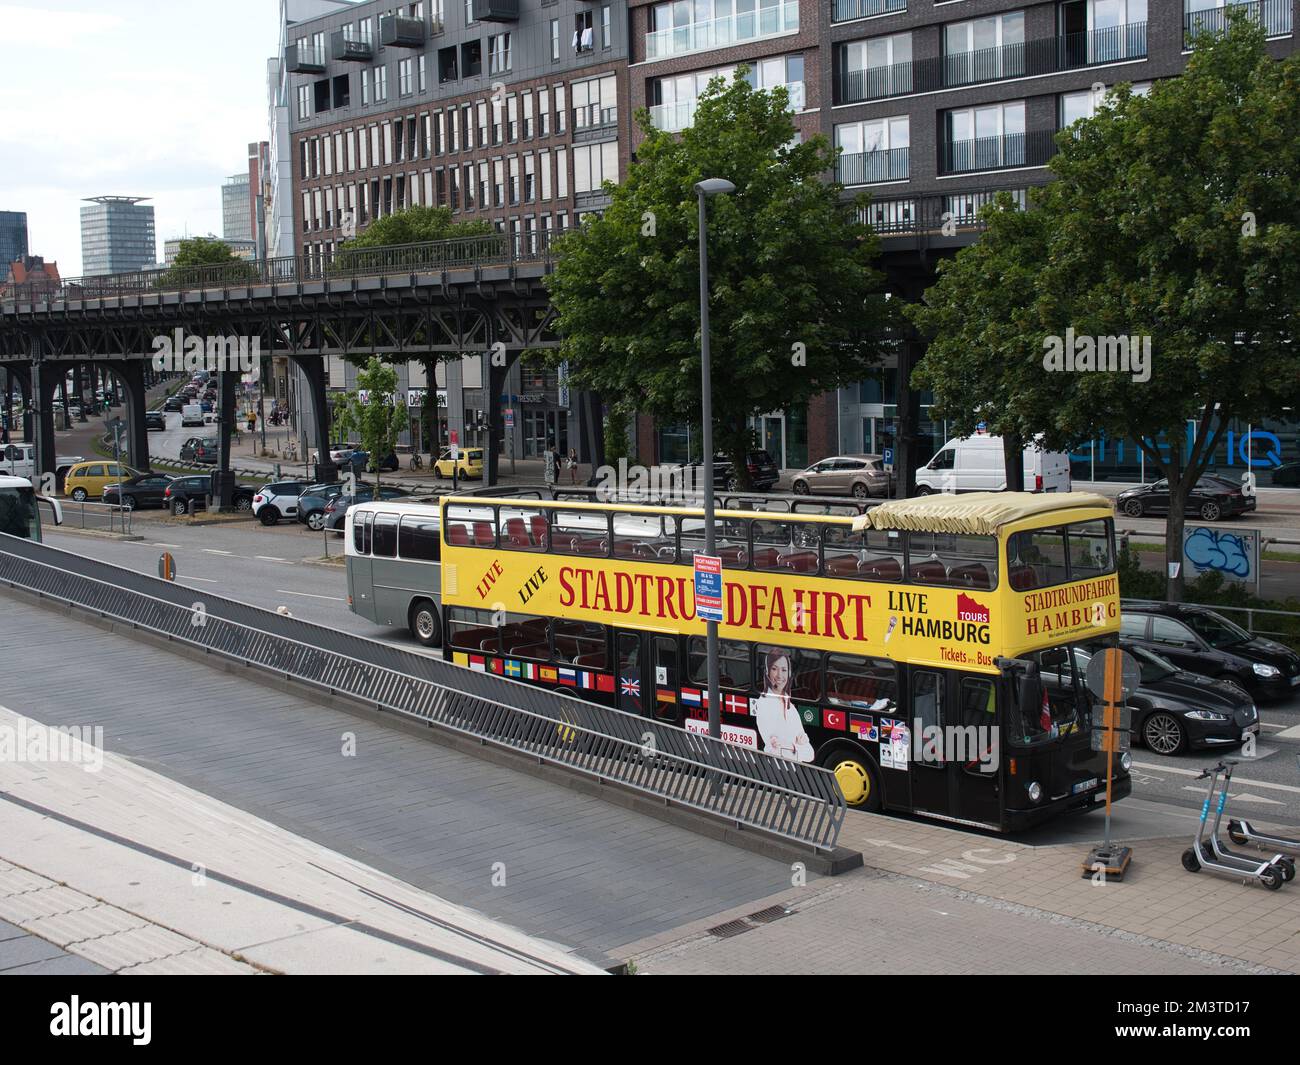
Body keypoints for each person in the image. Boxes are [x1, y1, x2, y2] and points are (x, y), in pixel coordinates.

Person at [753, 648, 814, 763]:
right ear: (767, 672)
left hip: (793, 772)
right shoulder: (764, 704)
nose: (780, 675)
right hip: (777, 772)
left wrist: (792, 747)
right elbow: (775, 752)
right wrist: (799, 745)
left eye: (784, 670)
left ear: (789, 673)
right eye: (774, 669)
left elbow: (810, 754)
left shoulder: (790, 707)